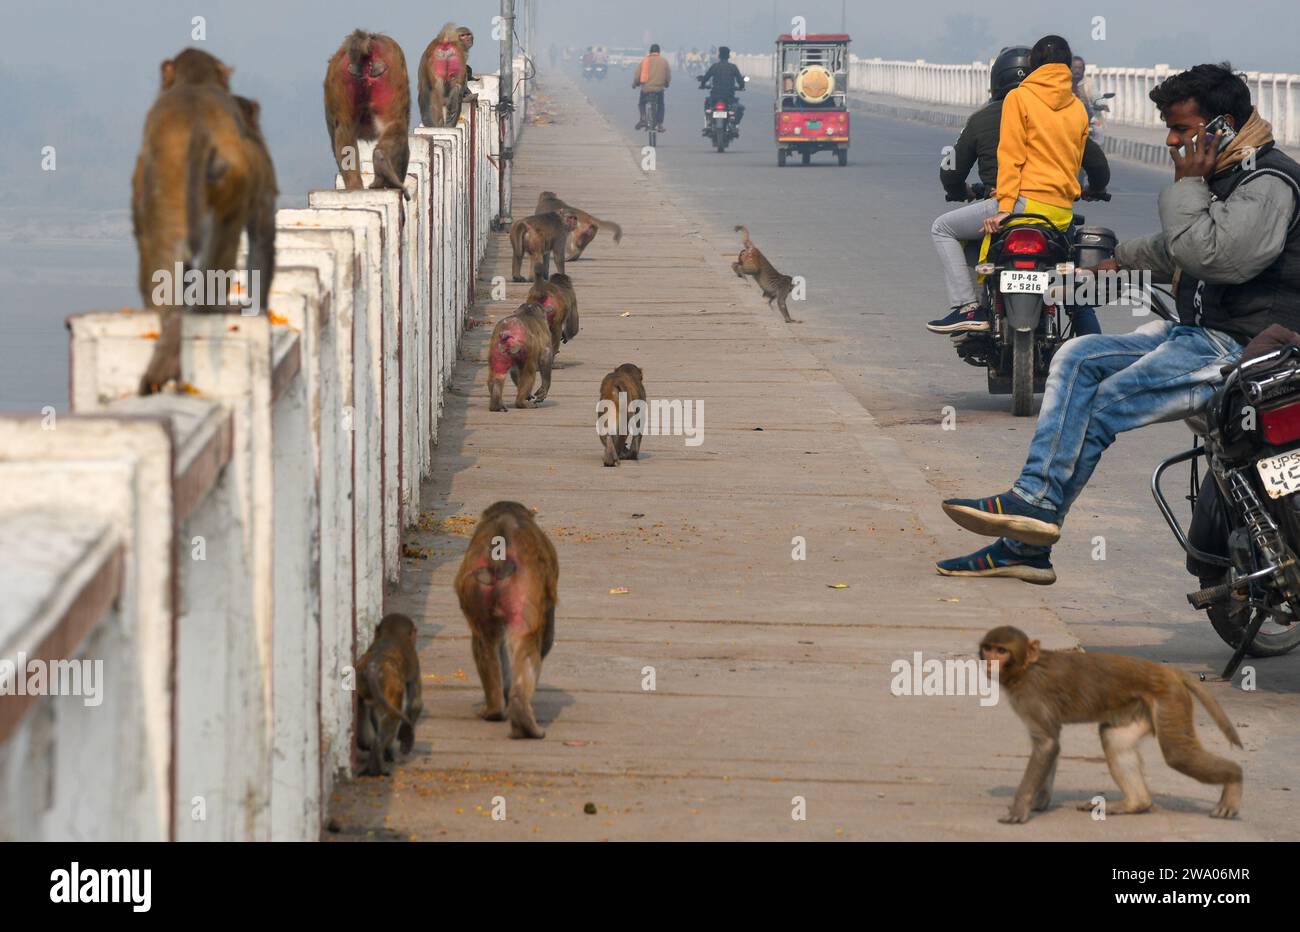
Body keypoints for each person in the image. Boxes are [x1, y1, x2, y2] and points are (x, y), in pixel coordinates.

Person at [935, 62, 1300, 584]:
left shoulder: (1268, 182)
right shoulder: (1228, 175)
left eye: (1180, 129)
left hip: (1245, 345)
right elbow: (1178, 246)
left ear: (1219, 127)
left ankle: (1027, 537)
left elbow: (1216, 256)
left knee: (1106, 403)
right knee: (1077, 357)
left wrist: (1186, 184)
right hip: (1199, 333)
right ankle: (1032, 510)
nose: (1172, 140)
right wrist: (1118, 259)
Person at [928, 44, 1110, 338]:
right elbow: (1095, 163)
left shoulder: (1002, 109)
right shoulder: (1073, 109)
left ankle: (968, 307)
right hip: (1059, 210)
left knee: (943, 228)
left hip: (1015, 202)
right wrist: (1087, 189)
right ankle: (1096, 350)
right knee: (1075, 289)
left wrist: (1001, 205)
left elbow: (1006, 159)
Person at [698, 45, 746, 134]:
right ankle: (733, 124)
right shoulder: (733, 67)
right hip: (729, 96)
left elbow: (706, 78)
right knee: (740, 108)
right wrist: (742, 87)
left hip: (715, 96)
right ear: (728, 56)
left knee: (707, 104)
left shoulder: (714, 66)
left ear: (719, 56)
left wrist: (702, 85)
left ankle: (708, 123)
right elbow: (740, 81)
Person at [633, 43, 671, 132]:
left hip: (646, 89)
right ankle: (660, 124)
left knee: (642, 103)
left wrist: (635, 84)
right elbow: (668, 75)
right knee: (661, 104)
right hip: (659, 89)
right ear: (659, 52)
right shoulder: (664, 61)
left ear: (650, 51)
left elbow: (637, 75)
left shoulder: (645, 61)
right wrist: (666, 83)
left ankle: (643, 119)